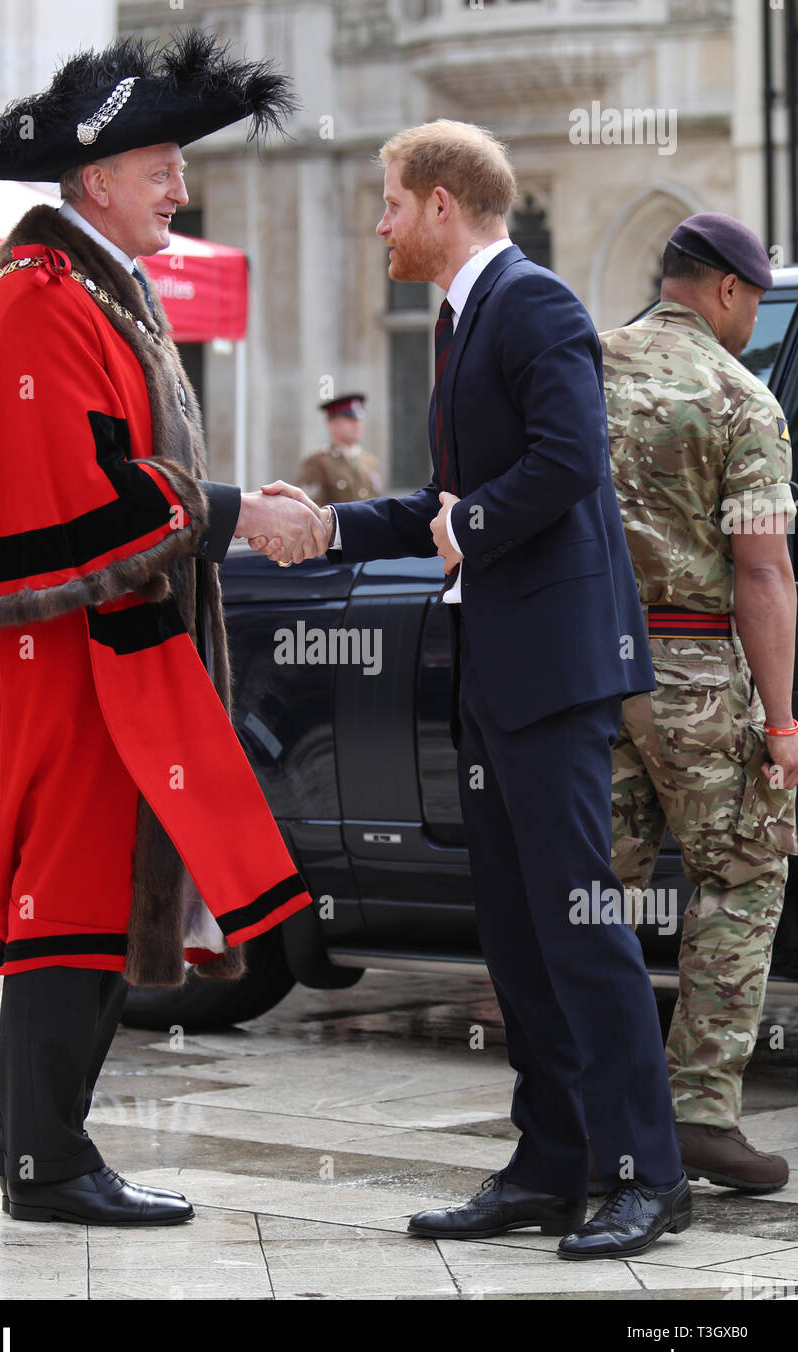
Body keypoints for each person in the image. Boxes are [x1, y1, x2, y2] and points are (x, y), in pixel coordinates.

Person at [261, 119, 690, 1260]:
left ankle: (650, 1173)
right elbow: (444, 499)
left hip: (553, 673)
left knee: (583, 926)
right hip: (496, 673)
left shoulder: (536, 304)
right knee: (516, 934)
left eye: (391, 202)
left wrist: (472, 528)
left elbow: (571, 458)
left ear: (443, 203)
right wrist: (329, 525)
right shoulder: (467, 320)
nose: (382, 223)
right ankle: (550, 1166)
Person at [0, 33, 321, 1227]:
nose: (180, 189)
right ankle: (45, 1165)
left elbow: (120, 473)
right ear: (94, 181)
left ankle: (60, 1153)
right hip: (63, 660)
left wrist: (231, 509)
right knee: (67, 908)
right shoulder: (36, 304)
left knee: (98, 907)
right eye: (160, 167)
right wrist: (243, 513)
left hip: (113, 649)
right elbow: (76, 496)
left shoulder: (93, 289)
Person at [602, 213, 798, 1194]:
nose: (750, 322)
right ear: (726, 289)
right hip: (692, 668)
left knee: (596, 891)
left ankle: (595, 1116)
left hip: (586, 666)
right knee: (744, 868)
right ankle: (699, 1111)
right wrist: (781, 724)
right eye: (751, 303)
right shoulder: (742, 397)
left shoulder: (582, 363)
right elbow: (763, 572)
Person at [295, 394, 381, 506]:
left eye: (360, 419)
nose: (357, 424)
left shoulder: (370, 461)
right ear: (332, 424)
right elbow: (311, 507)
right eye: (350, 419)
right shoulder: (318, 462)